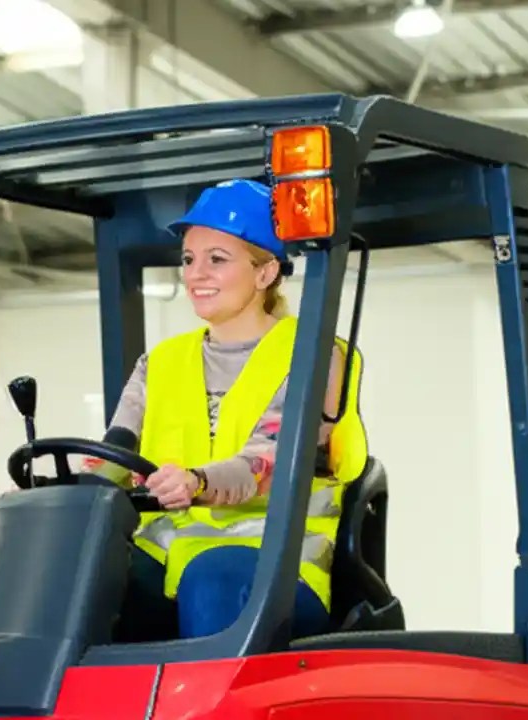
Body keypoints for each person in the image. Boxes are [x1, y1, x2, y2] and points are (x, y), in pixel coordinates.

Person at [88, 177, 369, 643]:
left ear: (266, 273)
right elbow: (116, 452)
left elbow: (270, 461)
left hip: (275, 565)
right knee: (74, 568)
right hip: (166, 558)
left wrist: (197, 481)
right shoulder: (160, 363)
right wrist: (63, 495)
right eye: (188, 259)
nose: (195, 274)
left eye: (217, 260)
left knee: (214, 575)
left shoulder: (314, 356)